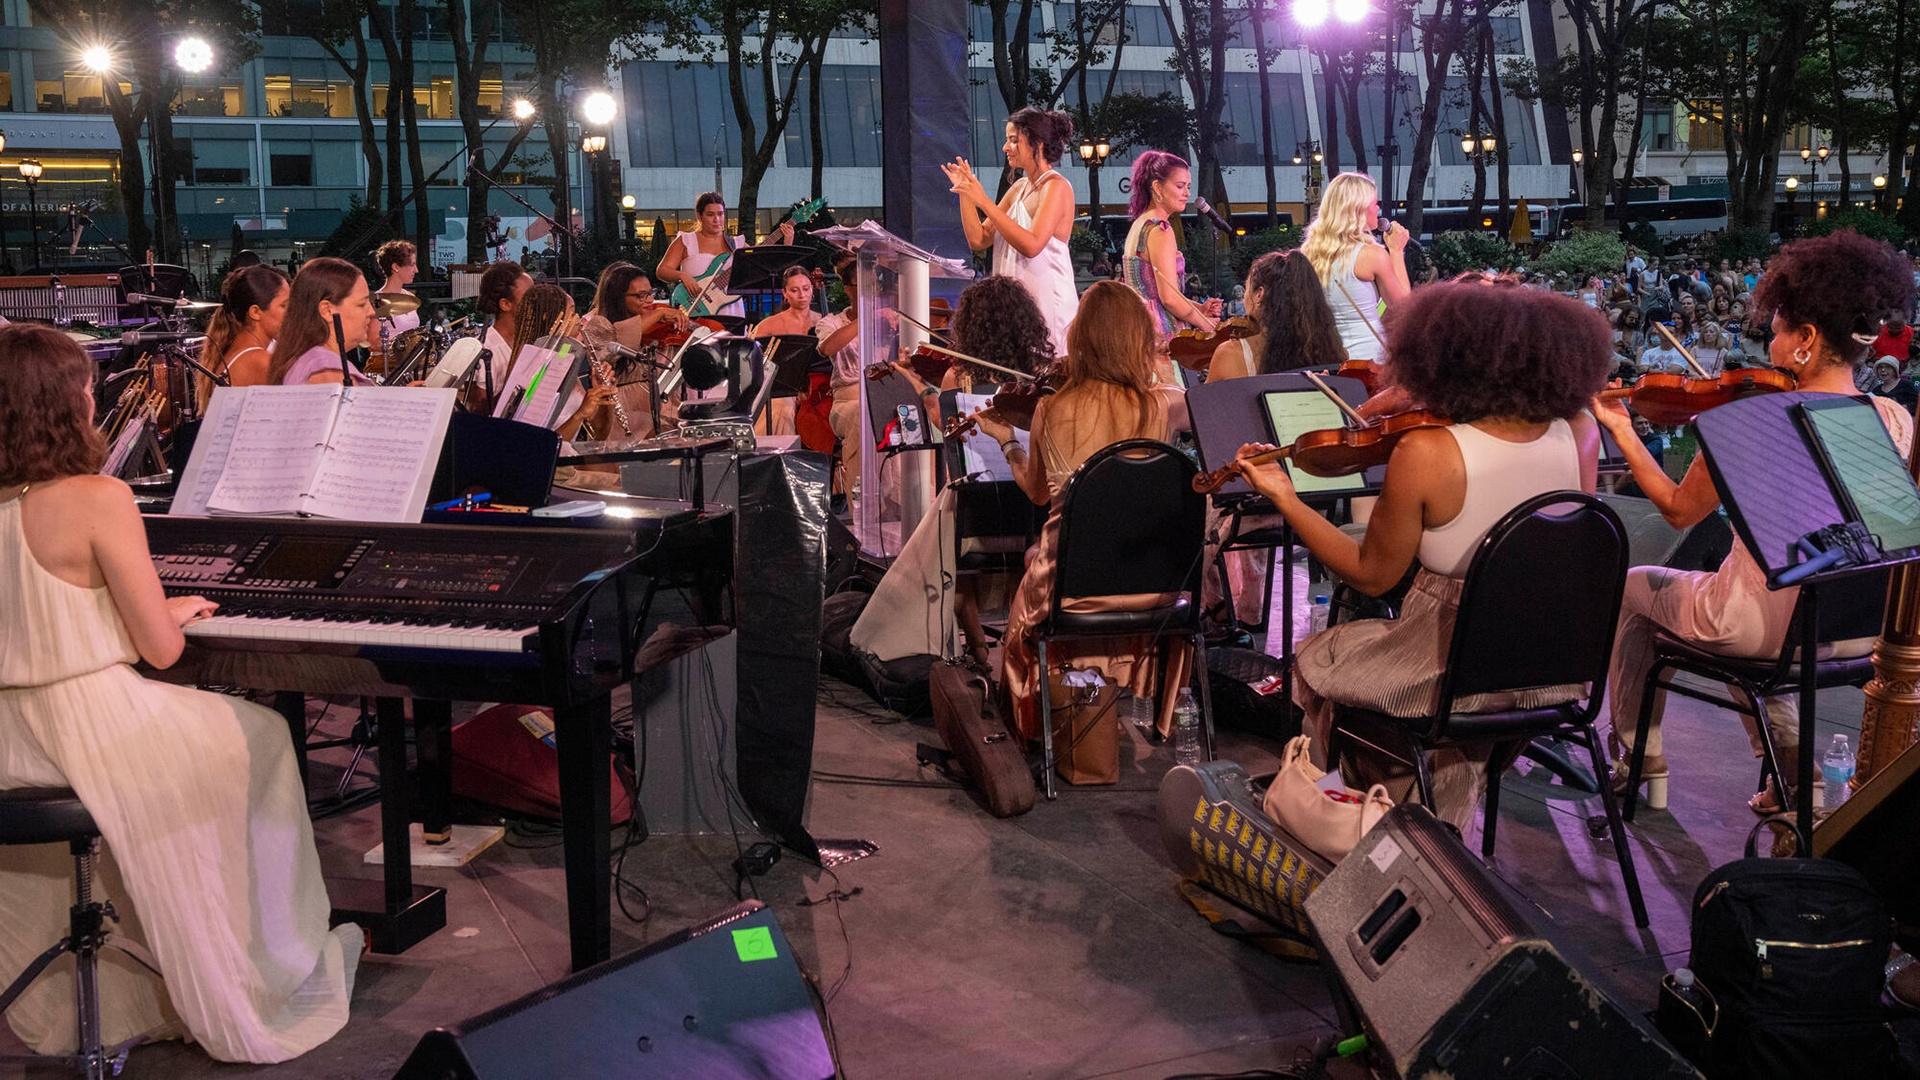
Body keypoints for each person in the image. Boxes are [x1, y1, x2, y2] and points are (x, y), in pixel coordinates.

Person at [0, 325, 360, 1063]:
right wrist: (170, 611)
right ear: (64, 403)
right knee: (261, 736)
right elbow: (160, 652)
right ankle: (249, 964)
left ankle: (125, 978)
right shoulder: (96, 496)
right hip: (86, 723)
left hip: (6, 742)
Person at [1230, 278, 1609, 830]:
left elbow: (1372, 575)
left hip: (1447, 667)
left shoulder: (1429, 450)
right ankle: (1416, 809)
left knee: (1321, 659)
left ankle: (1341, 810)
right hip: (1549, 668)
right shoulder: (1581, 432)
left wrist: (1286, 497)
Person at [1593, 231, 1916, 815]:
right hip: (1857, 627)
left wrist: (1620, 433)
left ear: (1808, 340)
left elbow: (1677, 509)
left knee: (1637, 586)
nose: (1768, 337)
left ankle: (1639, 755)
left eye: (1777, 327)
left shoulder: (1757, 417)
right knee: (1769, 596)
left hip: (1761, 627)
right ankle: (1794, 774)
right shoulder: (1893, 417)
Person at [984, 280, 1193, 740]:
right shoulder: (1169, 405)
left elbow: (1037, 494)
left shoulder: (1050, 410)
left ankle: (1039, 720)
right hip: (1157, 591)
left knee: (1032, 567)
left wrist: (1006, 444)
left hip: (1073, 592)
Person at [851, 274, 1056, 667]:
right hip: (1033, 514)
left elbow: (939, 416)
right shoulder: (1042, 377)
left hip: (979, 520)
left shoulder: (960, 376)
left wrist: (913, 379)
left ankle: (977, 649)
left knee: (947, 526)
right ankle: (1020, 643)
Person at [943, 107, 1081, 358]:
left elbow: (1032, 245)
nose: (1006, 147)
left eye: (1013, 140)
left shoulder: (1057, 187)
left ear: (1037, 143)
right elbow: (979, 239)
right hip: (1015, 305)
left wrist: (984, 201)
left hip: (1046, 302)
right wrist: (966, 193)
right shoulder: (1018, 187)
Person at [1120, 150, 1222, 364]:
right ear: (1157, 187)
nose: (1186, 193)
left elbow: (1157, 291)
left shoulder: (1140, 224)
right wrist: (1208, 326)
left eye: (1188, 186)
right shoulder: (1160, 230)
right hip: (1162, 332)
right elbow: (1169, 299)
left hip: (1137, 328)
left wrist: (1198, 307)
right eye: (1179, 186)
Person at [1300, 172, 1410, 365]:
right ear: (1358, 209)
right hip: (1367, 358)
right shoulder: (1371, 255)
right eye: (1374, 203)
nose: (1378, 209)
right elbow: (1404, 307)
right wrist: (1396, 251)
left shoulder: (1308, 253)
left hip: (1324, 355)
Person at [579, 263, 686, 439]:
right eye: (641, 296)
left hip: (658, 413)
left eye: (650, 293)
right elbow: (615, 344)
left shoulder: (653, 327)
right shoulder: (599, 325)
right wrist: (658, 314)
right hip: (624, 418)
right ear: (619, 298)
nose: (650, 300)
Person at [1207, 250, 1345, 381]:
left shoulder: (1231, 354)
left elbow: (1200, 405)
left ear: (1259, 294)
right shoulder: (1335, 351)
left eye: (1247, 288)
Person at [655, 192, 793, 320]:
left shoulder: (736, 244)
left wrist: (787, 243)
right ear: (699, 216)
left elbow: (766, 266)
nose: (717, 219)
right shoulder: (686, 240)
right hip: (694, 309)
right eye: (710, 214)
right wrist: (682, 276)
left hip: (731, 310)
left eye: (720, 214)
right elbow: (662, 271)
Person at [505, 283, 609, 441]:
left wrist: (601, 393)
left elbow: (600, 433)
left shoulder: (564, 361)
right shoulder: (535, 368)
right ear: (552, 319)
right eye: (572, 311)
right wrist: (579, 414)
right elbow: (537, 444)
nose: (578, 318)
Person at [267, 257, 377, 386]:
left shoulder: (305, 360)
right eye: (361, 304)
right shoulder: (326, 371)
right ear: (327, 310)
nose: (372, 312)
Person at [749, 265, 825, 436]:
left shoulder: (825, 322)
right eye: (794, 290)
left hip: (819, 389)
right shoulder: (768, 325)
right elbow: (751, 363)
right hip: (782, 389)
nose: (802, 295)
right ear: (784, 293)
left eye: (806, 289)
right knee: (782, 408)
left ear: (813, 289)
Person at [199, 265, 290, 404]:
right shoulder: (259, 361)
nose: (291, 313)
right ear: (255, 312)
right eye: (284, 306)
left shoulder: (234, 350)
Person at [476, 260, 533, 406]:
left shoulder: (532, 339)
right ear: (505, 304)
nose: (536, 302)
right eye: (529, 298)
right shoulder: (486, 349)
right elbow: (482, 412)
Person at [372, 238, 420, 339]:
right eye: (412, 265)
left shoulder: (410, 297)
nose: (416, 270)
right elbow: (374, 342)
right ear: (396, 267)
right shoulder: (377, 301)